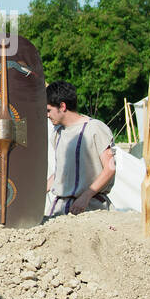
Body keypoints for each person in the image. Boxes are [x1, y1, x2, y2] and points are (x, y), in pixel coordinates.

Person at [46, 80, 116, 216]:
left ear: (62, 106)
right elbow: (61, 173)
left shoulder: (95, 128)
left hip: (91, 207)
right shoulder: (57, 133)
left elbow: (110, 168)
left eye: (49, 110)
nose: (47, 115)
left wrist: (86, 196)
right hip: (60, 208)